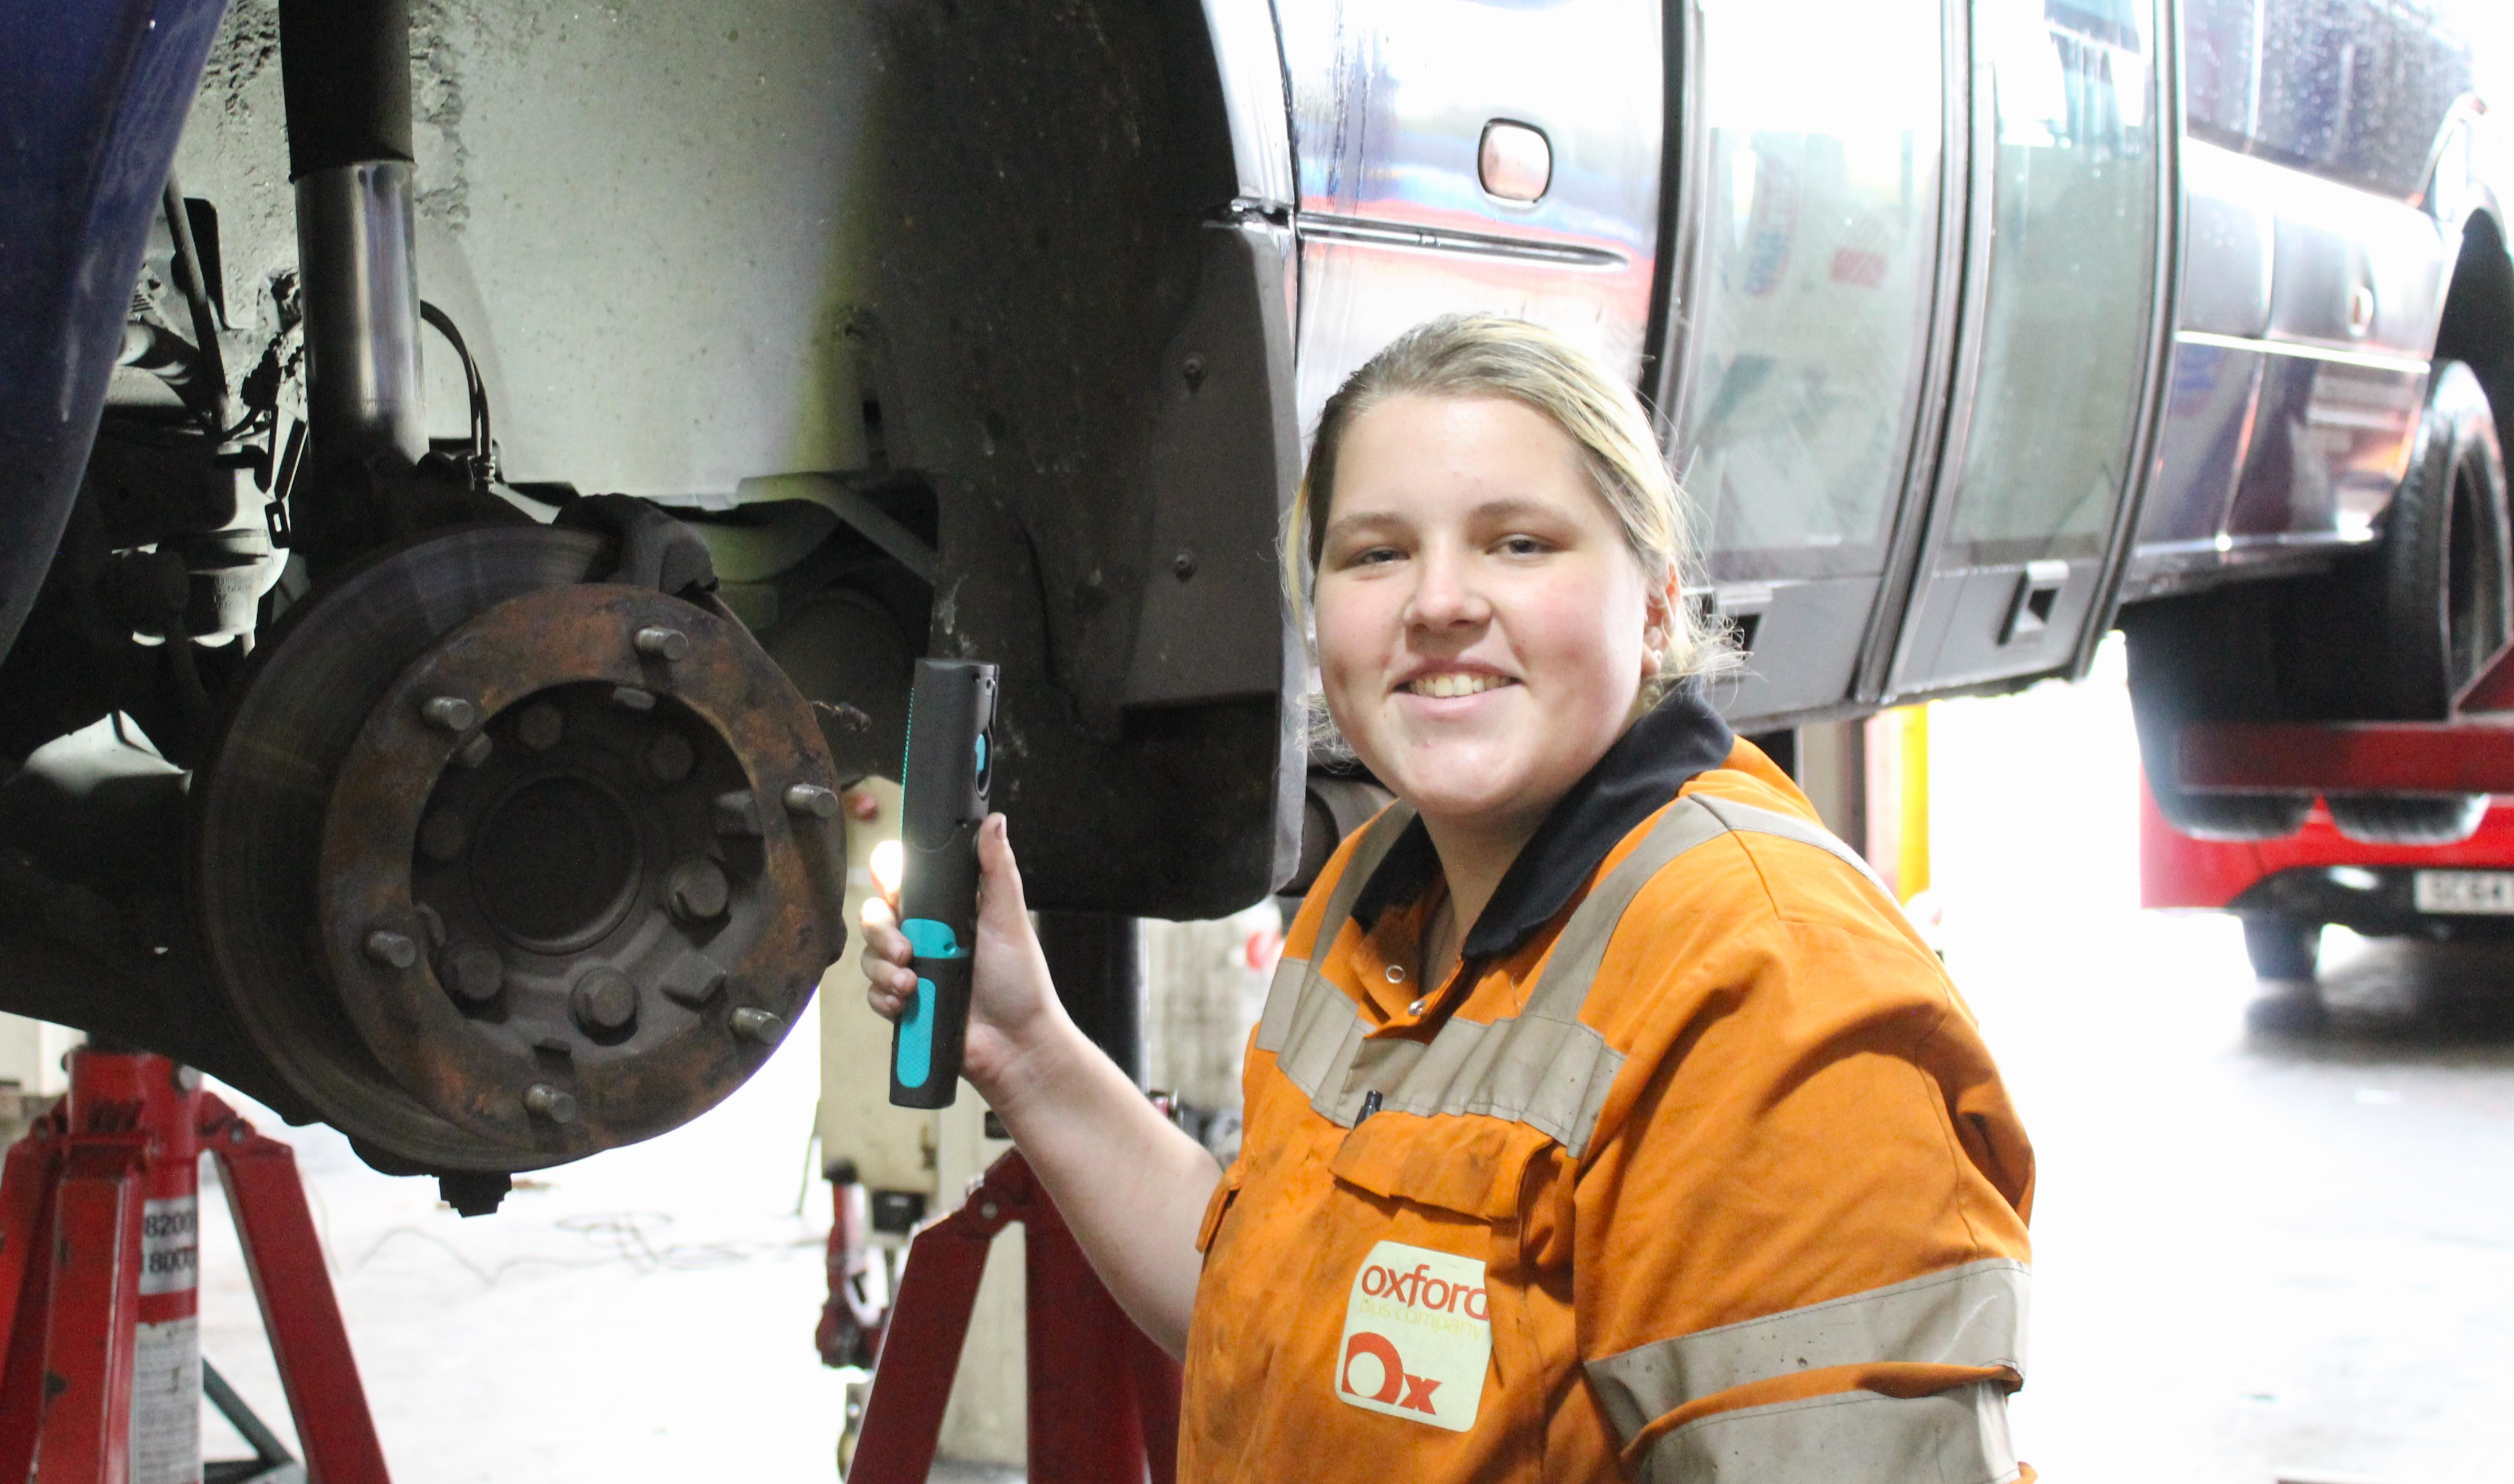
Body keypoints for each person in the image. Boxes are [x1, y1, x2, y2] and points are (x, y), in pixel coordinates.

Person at [860, 314, 2035, 1482]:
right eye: (1374, 553)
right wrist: (1025, 1044)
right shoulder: (1376, 900)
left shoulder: (1768, 982)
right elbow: (1265, 1322)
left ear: (1662, 604)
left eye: (1519, 544)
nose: (1438, 602)